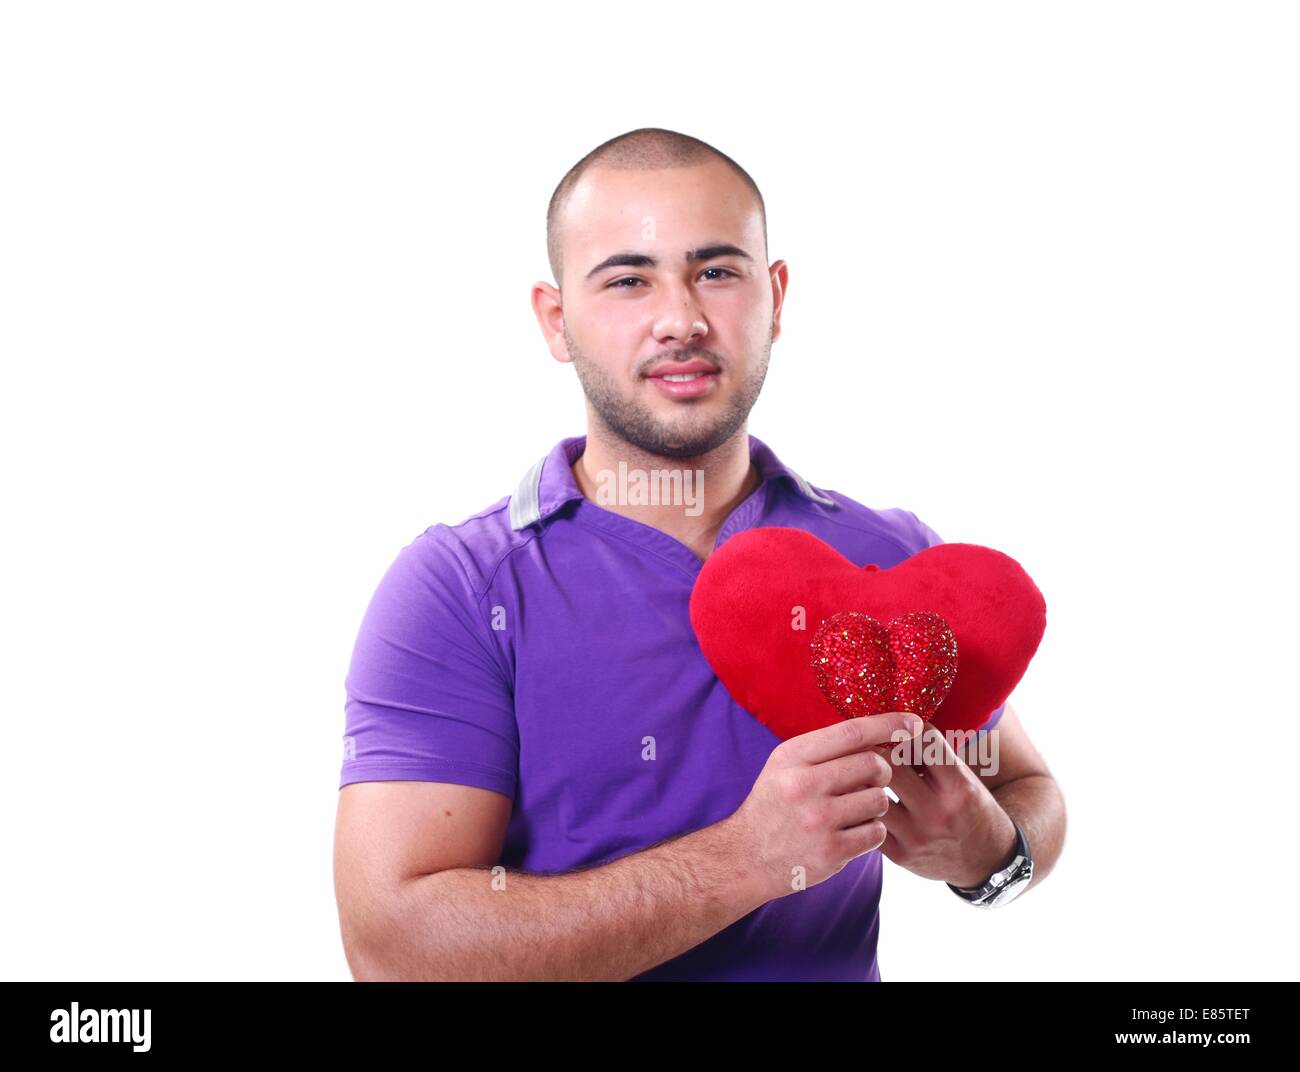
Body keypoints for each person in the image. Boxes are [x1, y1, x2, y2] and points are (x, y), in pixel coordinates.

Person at [333, 127, 1066, 981]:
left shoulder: (888, 558)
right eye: (627, 280)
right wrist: (747, 859)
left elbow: (1026, 791)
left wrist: (989, 855)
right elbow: (393, 950)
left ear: (777, 297)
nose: (680, 318)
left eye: (717, 271)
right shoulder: (459, 589)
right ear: (555, 318)